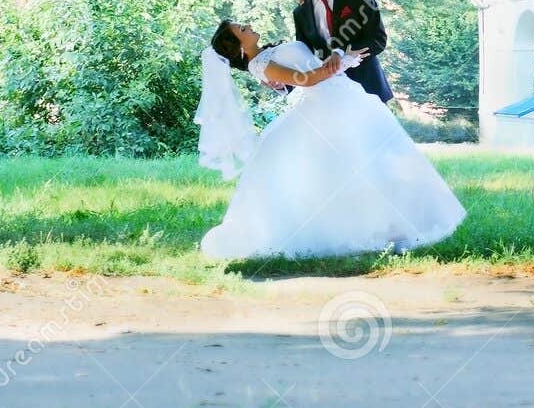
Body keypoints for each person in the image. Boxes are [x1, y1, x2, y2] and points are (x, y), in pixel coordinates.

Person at [196, 19, 465, 262]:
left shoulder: (267, 53)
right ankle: (373, 228)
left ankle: (390, 224)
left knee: (373, 161)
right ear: (238, 46)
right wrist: (344, 61)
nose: (248, 25)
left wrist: (337, 59)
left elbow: (301, 72)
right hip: (327, 107)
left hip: (340, 96)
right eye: (242, 29)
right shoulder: (259, 64)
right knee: (356, 165)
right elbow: (307, 80)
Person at [288, 0, 393, 103]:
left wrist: (341, 53)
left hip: (369, 91)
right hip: (331, 96)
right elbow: (304, 56)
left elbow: (378, 40)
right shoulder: (300, 12)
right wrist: (283, 84)